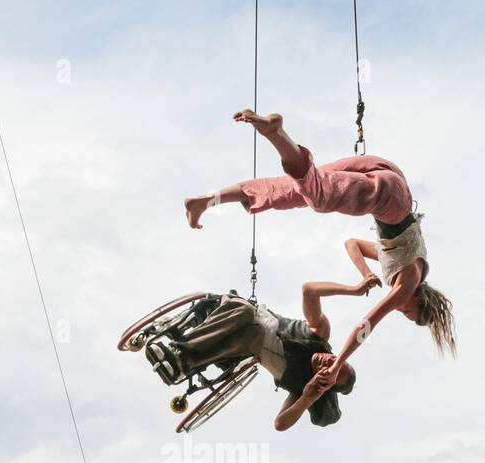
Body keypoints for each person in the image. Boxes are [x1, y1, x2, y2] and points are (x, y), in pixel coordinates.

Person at [184, 110, 455, 388]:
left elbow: (353, 244)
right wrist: (338, 364)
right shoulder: (407, 285)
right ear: (420, 299)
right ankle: (275, 132)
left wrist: (364, 274)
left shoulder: (404, 264)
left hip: (383, 172)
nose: (401, 310)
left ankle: (204, 202)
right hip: (389, 197)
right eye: (408, 312)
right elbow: (366, 326)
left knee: (295, 191)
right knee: (320, 197)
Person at [150, 286, 361, 431]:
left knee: (255, 334)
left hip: (245, 342)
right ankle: (181, 352)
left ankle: (181, 363)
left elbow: (280, 424)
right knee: (246, 311)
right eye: (336, 360)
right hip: (240, 311)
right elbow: (309, 289)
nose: (328, 363)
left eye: (330, 372)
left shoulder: (301, 386)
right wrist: (354, 289)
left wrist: (307, 398)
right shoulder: (319, 334)